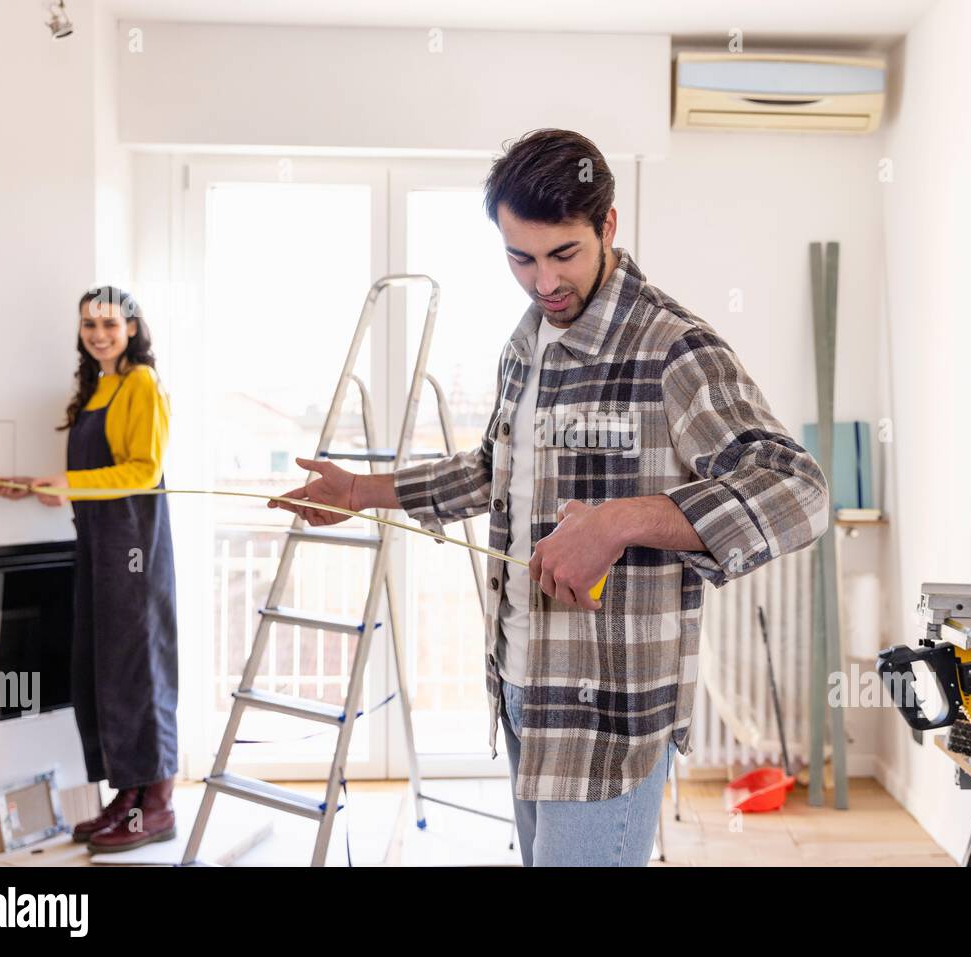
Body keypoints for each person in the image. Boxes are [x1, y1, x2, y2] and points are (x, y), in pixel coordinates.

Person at [270, 129, 830, 865]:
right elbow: (488, 471)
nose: (542, 283)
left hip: (608, 717)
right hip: (522, 687)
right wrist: (364, 491)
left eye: (563, 253)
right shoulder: (526, 343)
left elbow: (799, 488)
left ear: (608, 226)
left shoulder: (672, 346)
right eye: (520, 257)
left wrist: (623, 520)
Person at [0, 286, 178, 852]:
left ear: (132, 329)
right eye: (89, 325)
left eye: (110, 324)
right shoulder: (100, 386)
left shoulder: (141, 383)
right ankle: (125, 797)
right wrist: (46, 487)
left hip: (133, 547)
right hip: (97, 542)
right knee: (100, 668)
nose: (99, 334)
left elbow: (142, 472)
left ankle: (158, 806)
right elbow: (97, 476)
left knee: (138, 669)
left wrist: (72, 485)